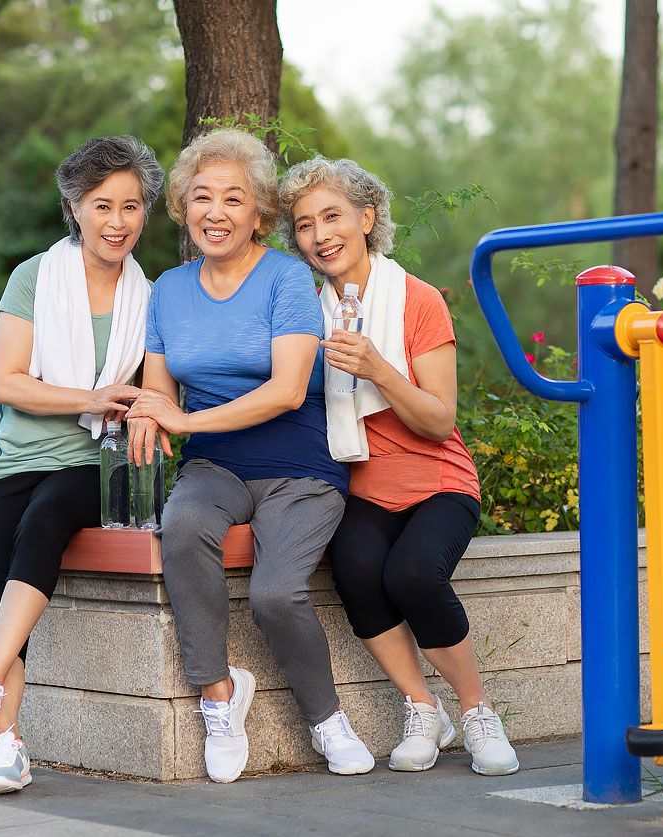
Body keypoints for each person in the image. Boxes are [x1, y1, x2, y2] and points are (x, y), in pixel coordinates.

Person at [124, 129, 372, 783]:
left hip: (300, 465)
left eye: (233, 198)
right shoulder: (169, 290)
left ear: (259, 213)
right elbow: (158, 387)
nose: (215, 211)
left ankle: (326, 719)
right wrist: (150, 414)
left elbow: (289, 388)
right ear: (183, 207)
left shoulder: (287, 277)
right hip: (214, 464)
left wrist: (181, 415)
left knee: (273, 592)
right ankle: (217, 696)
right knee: (181, 527)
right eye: (201, 197)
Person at [278, 157, 519, 776]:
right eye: (304, 225)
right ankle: (422, 708)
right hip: (357, 482)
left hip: (438, 479)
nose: (320, 234)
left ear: (367, 217)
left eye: (333, 216)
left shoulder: (419, 300)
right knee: (357, 568)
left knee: (413, 573)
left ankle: (476, 711)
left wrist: (380, 368)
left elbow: (440, 421)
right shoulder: (300, 306)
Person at [0, 136, 164, 794]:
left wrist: (148, 413)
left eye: (131, 206)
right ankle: (6, 745)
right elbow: (3, 381)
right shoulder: (35, 277)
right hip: (5, 461)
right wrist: (89, 396)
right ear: (74, 207)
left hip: (84, 464)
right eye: (102, 205)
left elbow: (155, 394)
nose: (118, 221)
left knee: (42, 525)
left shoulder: (149, 300)